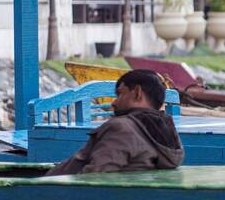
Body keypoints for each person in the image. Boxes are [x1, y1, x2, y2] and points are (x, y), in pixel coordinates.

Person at [46, 70, 184, 175]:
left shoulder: (121, 128)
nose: (114, 102)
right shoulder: (168, 131)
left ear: (137, 93)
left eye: (120, 94)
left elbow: (94, 177)